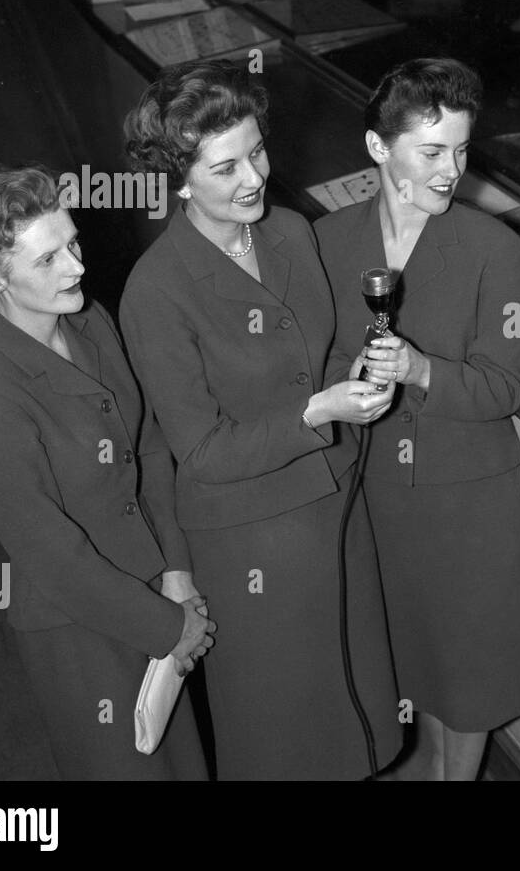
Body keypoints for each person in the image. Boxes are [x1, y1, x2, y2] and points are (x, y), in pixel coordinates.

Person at [118, 60, 401, 780]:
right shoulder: (156, 293)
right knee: (286, 736)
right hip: (253, 546)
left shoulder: (286, 231)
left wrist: (364, 376)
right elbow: (203, 452)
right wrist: (318, 412)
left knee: (355, 711)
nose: (254, 177)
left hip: (337, 511)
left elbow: (329, 343)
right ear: (178, 181)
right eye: (226, 167)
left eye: (258, 151)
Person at [0, 166, 212, 780]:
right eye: (47, 260)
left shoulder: (90, 320)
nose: (74, 268)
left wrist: (176, 570)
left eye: (73, 244)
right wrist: (168, 626)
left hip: (153, 590)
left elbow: (146, 445)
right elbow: (53, 556)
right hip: (80, 633)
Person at [315, 58, 520, 781]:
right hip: (376, 493)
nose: (452, 170)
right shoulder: (327, 242)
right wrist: (345, 379)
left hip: (469, 500)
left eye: (462, 150)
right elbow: (310, 358)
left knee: (469, 677)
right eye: (432, 151)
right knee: (415, 660)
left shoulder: (495, 249)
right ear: (380, 149)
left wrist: (419, 370)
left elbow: (502, 389)